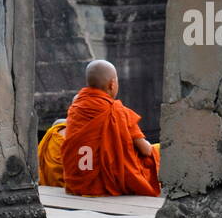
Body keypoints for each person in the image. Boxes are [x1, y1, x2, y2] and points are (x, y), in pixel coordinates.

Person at [37, 60, 161, 197]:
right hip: (104, 185)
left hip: (76, 183)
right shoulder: (118, 112)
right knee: (157, 151)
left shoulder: (76, 109)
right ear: (112, 84)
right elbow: (145, 150)